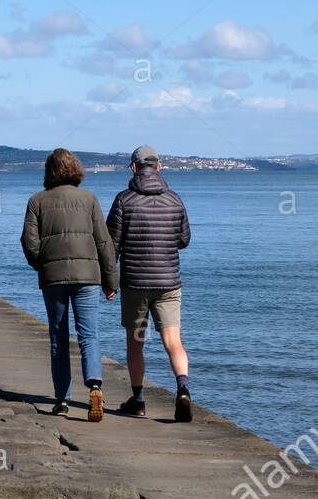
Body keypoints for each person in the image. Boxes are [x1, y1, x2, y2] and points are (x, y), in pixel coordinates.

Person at [20, 148, 117, 422]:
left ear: (49, 171)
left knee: (58, 338)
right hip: (87, 276)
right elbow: (104, 243)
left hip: (54, 279)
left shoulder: (36, 201)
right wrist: (111, 281)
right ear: (75, 169)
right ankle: (95, 386)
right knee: (89, 335)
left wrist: (42, 263)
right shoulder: (89, 199)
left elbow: (29, 242)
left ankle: (62, 399)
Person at [106, 145, 194, 422]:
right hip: (169, 281)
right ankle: (182, 389)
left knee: (136, 342)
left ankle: (139, 399)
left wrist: (108, 281)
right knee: (173, 340)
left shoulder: (123, 200)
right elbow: (183, 240)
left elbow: (112, 245)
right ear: (158, 167)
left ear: (134, 168)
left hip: (135, 282)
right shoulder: (175, 199)